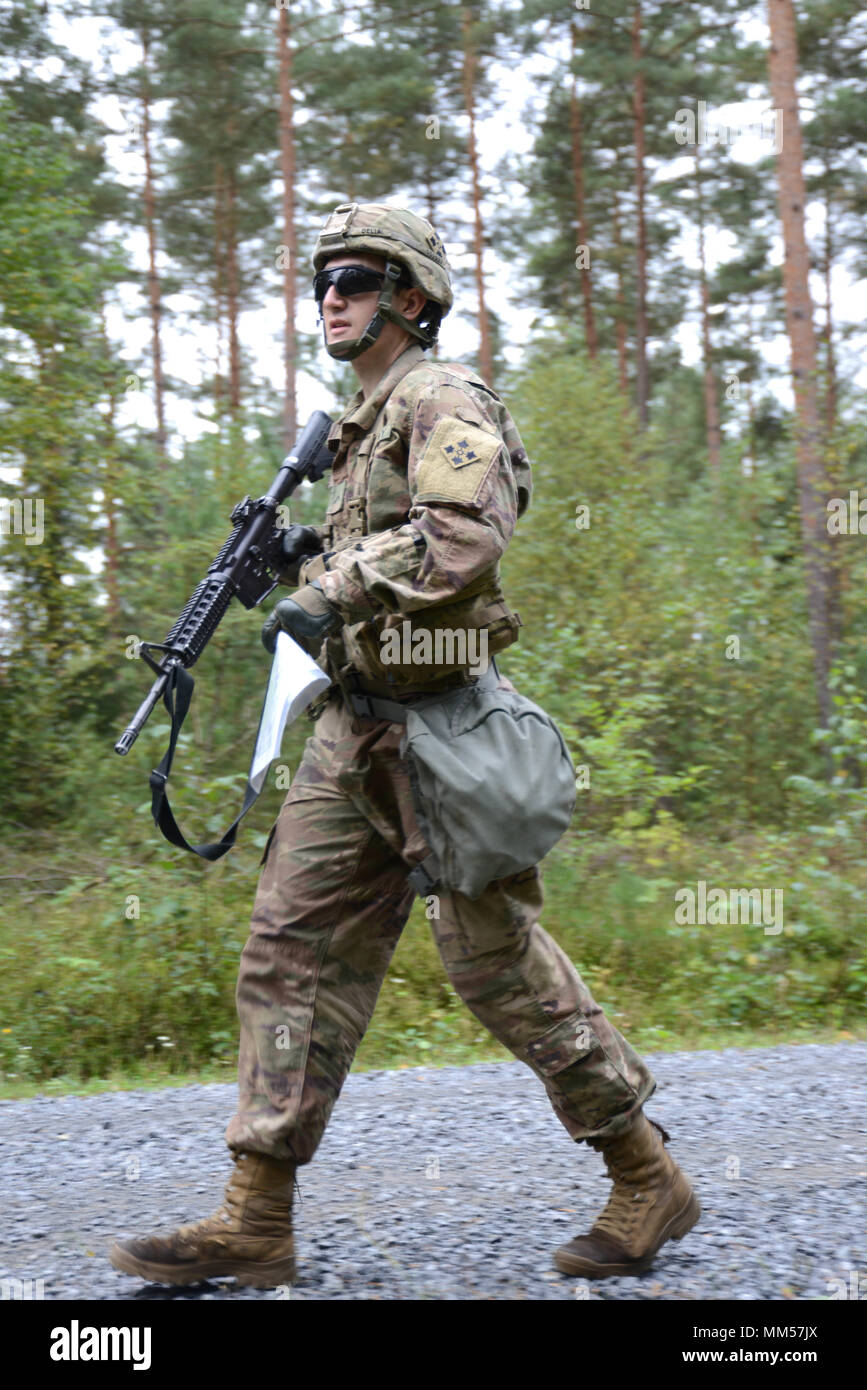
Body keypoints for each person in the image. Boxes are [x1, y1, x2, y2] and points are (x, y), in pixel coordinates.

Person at [109, 202, 700, 1290]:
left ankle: (644, 1170)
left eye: (355, 277)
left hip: (442, 731)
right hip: (353, 732)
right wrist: (300, 556)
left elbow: (463, 538)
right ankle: (255, 1217)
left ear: (410, 298)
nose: (329, 295)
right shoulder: (358, 423)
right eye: (321, 280)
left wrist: (331, 584)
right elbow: (378, 550)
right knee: (290, 953)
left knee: (496, 966)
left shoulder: (441, 393)